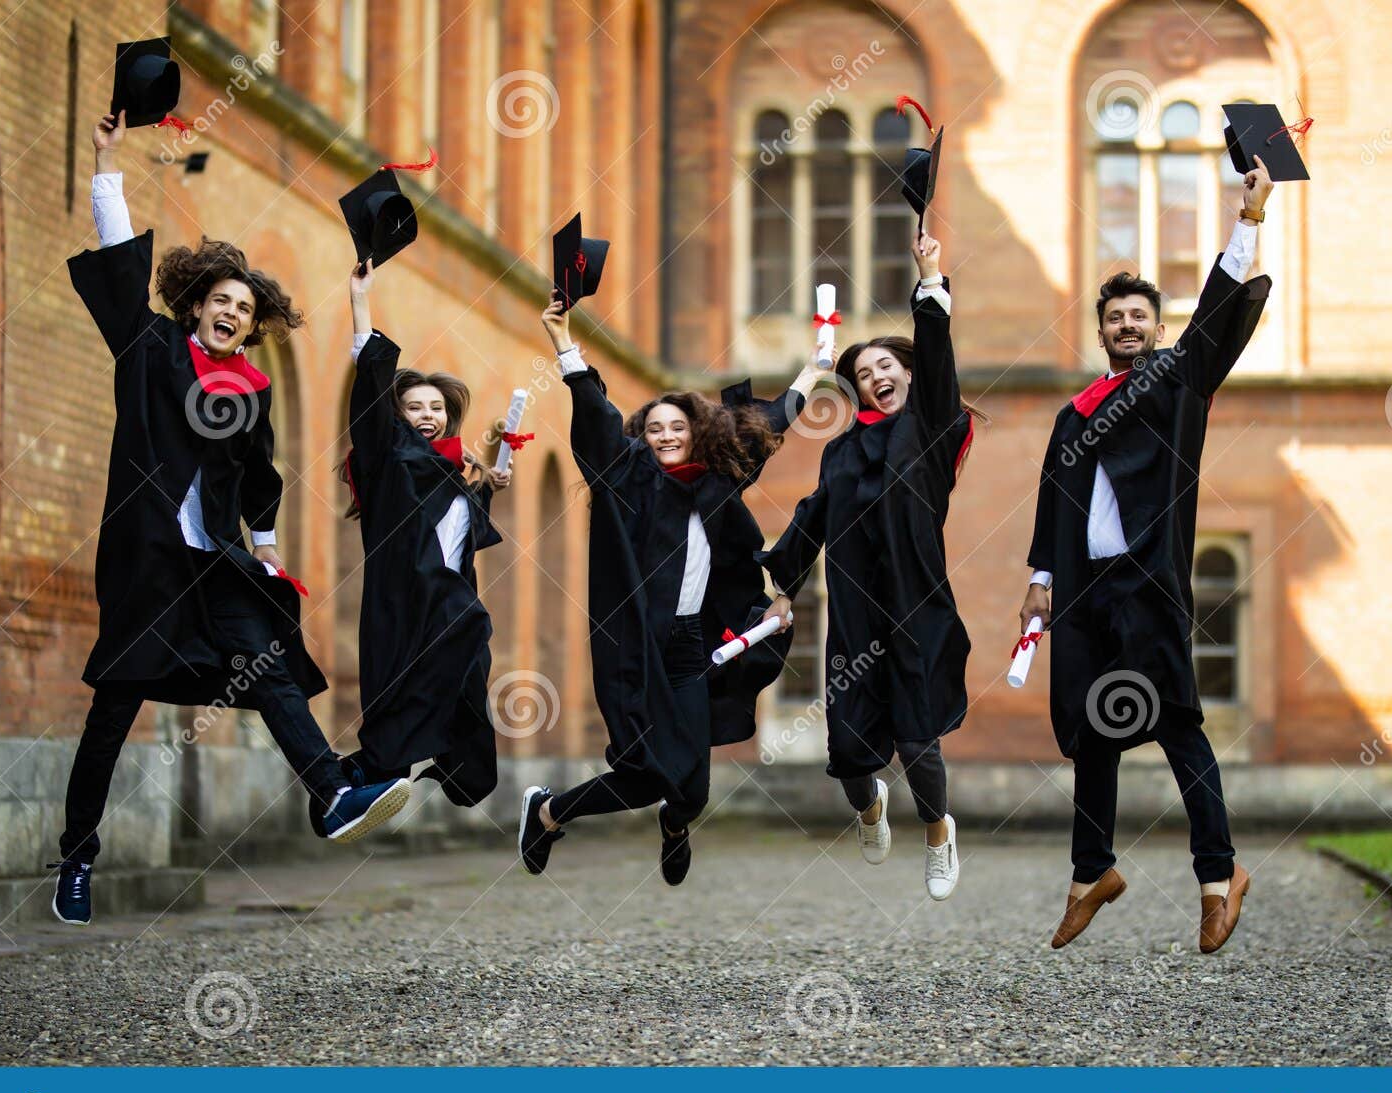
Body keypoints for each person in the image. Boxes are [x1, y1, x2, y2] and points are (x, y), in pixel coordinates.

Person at [51, 113, 410, 925]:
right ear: (196, 304)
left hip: (213, 562)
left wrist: (272, 555)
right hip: (145, 561)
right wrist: (106, 161)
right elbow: (115, 264)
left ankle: (330, 795)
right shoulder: (149, 351)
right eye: (221, 300)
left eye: (245, 308)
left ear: (254, 324)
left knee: (269, 666)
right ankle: (76, 857)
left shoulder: (250, 389)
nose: (232, 314)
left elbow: (259, 478)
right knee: (112, 712)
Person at [1022, 155, 1275, 953]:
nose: (1127, 325)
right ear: (1099, 330)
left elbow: (1214, 323)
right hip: (1086, 591)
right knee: (1091, 731)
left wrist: (1251, 218)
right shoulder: (1073, 415)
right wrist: (1040, 580)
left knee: (1175, 726)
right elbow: (1053, 503)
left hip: (1146, 585)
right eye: (1114, 318)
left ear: (1155, 329)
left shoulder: (1173, 382)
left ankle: (1217, 874)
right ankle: (1090, 872)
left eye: (1139, 316)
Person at [518, 295, 790, 885]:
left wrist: (816, 376)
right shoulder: (631, 484)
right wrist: (566, 348)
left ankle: (668, 824)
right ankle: (546, 812)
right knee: (646, 769)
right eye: (655, 428)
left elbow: (764, 428)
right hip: (637, 642)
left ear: (697, 434)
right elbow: (594, 418)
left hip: (690, 644)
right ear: (643, 437)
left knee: (690, 789)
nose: (667, 436)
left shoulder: (715, 486)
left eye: (678, 427)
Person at [761, 231, 978, 901]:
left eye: (886, 367)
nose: (876, 377)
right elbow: (814, 514)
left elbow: (939, 356)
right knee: (851, 754)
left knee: (918, 739)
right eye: (862, 375)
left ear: (908, 374)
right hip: (857, 612)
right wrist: (777, 582)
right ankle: (870, 807)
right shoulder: (843, 452)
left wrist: (931, 275)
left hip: (915, 604)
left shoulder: (935, 428)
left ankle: (939, 833)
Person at [322, 258, 510, 824]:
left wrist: (487, 487)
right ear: (397, 415)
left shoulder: (449, 473)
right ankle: (367, 772)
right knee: (459, 637)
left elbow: (457, 536)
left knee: (469, 709)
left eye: (437, 409)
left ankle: (370, 776)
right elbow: (372, 391)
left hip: (446, 601)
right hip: (407, 604)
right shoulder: (388, 460)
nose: (427, 416)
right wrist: (361, 304)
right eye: (415, 408)